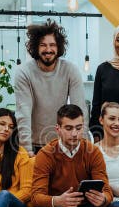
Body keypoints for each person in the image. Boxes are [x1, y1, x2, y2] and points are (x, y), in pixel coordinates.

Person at [27, 104, 119, 207]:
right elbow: (36, 197)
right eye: (69, 128)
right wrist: (57, 201)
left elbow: (107, 191)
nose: (74, 133)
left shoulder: (92, 152)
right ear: (58, 129)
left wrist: (103, 199)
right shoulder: (46, 154)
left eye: (79, 128)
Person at [14, 19, 89, 153]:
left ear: (58, 47)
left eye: (52, 45)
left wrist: (82, 146)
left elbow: (80, 109)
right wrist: (26, 151)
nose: (48, 49)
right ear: (36, 47)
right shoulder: (24, 72)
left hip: (62, 144)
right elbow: (23, 112)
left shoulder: (70, 70)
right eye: (43, 45)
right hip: (33, 144)